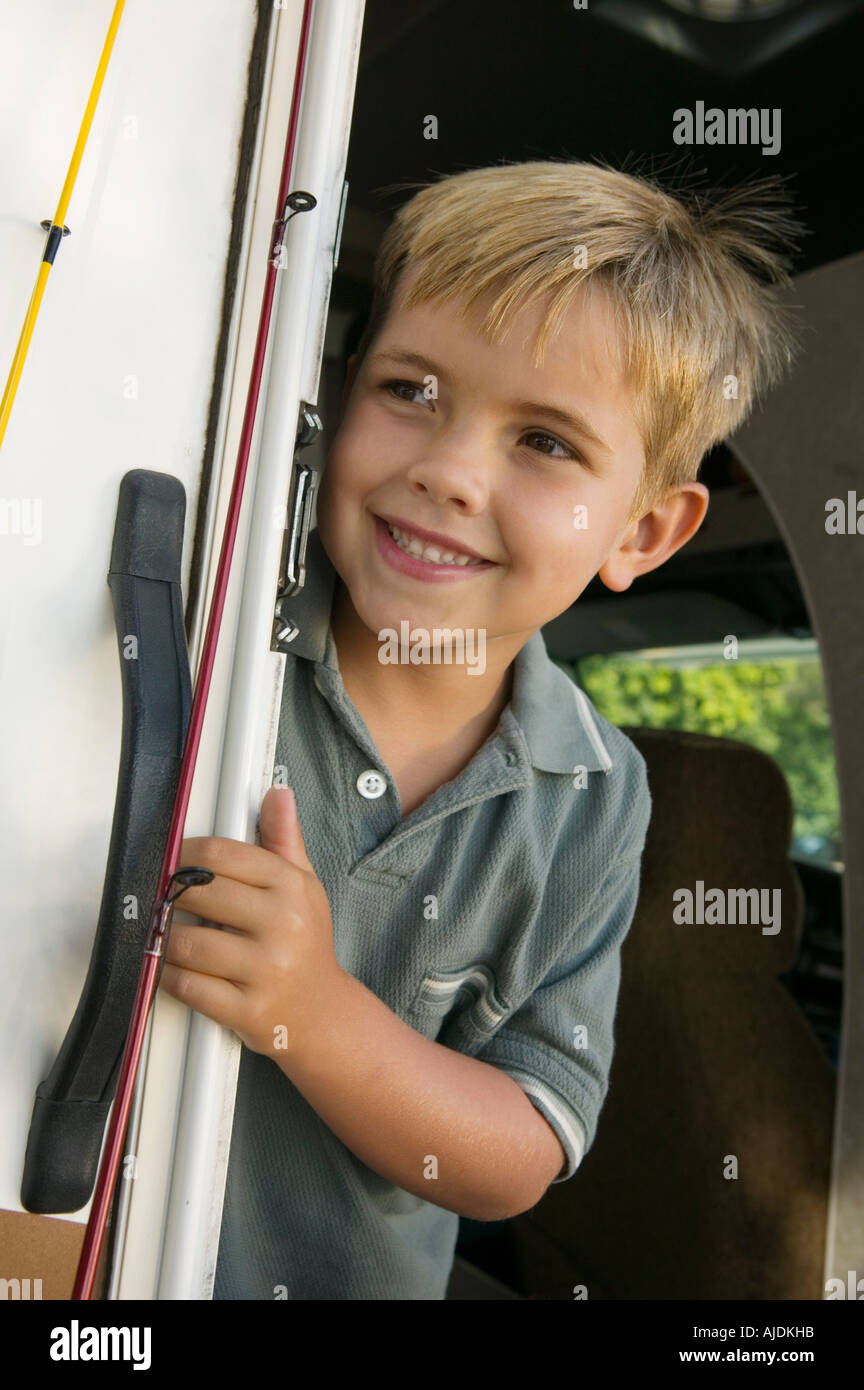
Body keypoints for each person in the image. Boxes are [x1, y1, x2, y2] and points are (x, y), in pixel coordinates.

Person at [159, 159, 802, 1299]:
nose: (448, 471)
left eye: (546, 442)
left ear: (646, 533)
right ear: (341, 398)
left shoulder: (596, 794)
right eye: (411, 390)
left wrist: (312, 1013)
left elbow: (522, 1146)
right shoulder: (203, 632)